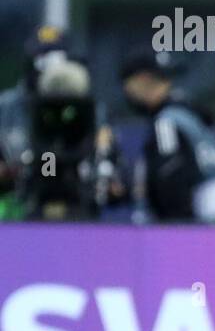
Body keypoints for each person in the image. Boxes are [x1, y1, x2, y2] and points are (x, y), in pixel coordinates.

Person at [0, 25, 125, 221]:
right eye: (42, 58)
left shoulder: (88, 108)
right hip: (17, 207)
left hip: (77, 198)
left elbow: (111, 170)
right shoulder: (7, 107)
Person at [119, 47, 215, 226]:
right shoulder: (189, 115)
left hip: (201, 225)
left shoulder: (167, 122)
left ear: (141, 80)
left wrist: (174, 233)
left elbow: (171, 179)